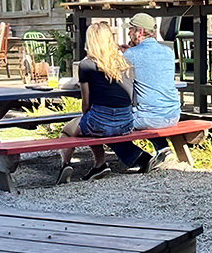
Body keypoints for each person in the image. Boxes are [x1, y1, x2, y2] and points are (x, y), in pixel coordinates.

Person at [56, 21, 141, 184]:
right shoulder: (126, 64)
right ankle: (99, 164)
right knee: (91, 126)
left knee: (71, 130)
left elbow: (86, 103)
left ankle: (65, 164)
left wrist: (85, 118)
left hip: (100, 121)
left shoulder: (86, 65)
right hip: (126, 123)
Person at [110, 12, 182, 170]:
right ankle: (163, 149)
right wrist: (129, 53)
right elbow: (149, 66)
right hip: (173, 114)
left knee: (109, 126)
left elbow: (119, 81)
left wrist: (124, 55)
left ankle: (140, 159)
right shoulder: (168, 52)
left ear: (140, 32)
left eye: (131, 30)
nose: (128, 33)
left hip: (149, 118)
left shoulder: (131, 54)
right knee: (149, 109)